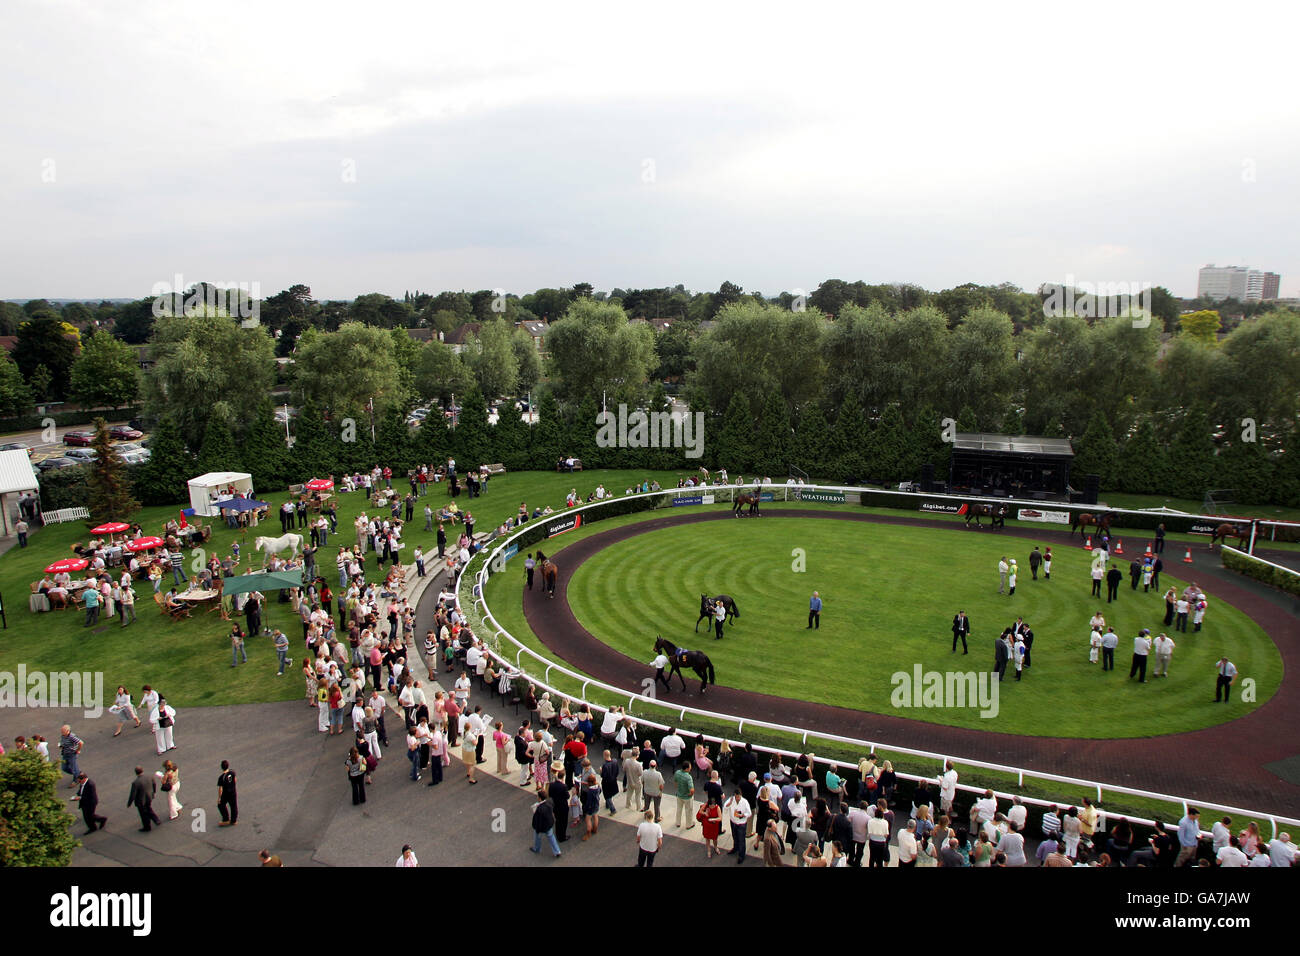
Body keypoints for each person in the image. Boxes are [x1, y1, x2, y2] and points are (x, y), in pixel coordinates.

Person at [127, 765, 161, 832]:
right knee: (148, 808)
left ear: (136, 773)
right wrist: (153, 792)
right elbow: (154, 784)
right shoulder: (150, 776)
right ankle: (156, 819)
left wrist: (129, 803)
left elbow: (133, 795)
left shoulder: (135, 783)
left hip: (141, 801)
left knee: (143, 814)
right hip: (149, 797)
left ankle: (147, 827)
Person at [530, 789, 562, 857]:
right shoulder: (549, 801)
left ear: (540, 798)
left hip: (541, 826)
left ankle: (537, 849)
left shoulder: (539, 808)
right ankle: (557, 851)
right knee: (551, 837)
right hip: (549, 823)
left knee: (537, 837)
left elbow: (538, 819)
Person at [725, 788, 752, 863]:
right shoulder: (731, 799)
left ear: (741, 795)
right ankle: (735, 848)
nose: (737, 798)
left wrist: (743, 815)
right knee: (734, 836)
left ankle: (741, 855)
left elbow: (749, 813)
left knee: (741, 840)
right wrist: (729, 803)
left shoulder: (745, 802)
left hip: (741, 823)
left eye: (738, 797)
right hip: (733, 822)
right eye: (736, 797)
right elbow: (725, 808)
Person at [674, 762, 696, 830]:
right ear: (686, 769)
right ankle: (689, 824)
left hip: (679, 795)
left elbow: (675, 782)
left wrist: (678, 790)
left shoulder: (677, 773)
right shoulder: (688, 777)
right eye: (690, 768)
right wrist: (690, 794)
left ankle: (678, 823)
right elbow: (692, 790)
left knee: (679, 809)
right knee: (688, 811)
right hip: (687, 797)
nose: (690, 769)